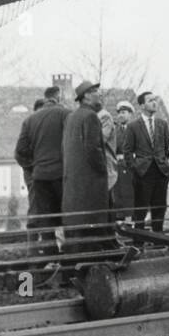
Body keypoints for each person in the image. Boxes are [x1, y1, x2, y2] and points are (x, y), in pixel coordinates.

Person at [15, 91, 68, 255]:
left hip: (40, 176)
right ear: (58, 99)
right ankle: (70, 254)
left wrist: (35, 166)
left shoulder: (30, 120)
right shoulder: (66, 114)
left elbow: (20, 152)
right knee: (68, 215)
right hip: (62, 175)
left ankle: (49, 256)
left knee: (45, 218)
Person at [61, 80, 109, 253]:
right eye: (96, 91)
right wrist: (103, 170)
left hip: (74, 186)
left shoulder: (71, 117)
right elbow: (93, 149)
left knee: (77, 234)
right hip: (90, 185)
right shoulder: (90, 117)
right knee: (92, 233)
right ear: (87, 96)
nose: (100, 94)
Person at [122, 90, 169, 234]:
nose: (154, 102)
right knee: (140, 209)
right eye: (150, 100)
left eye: (155, 99)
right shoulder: (133, 126)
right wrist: (134, 168)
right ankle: (138, 241)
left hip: (161, 172)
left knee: (160, 207)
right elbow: (127, 151)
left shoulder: (162, 124)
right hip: (142, 173)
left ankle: (158, 239)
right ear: (142, 105)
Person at [111, 101, 136, 224]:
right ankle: (120, 219)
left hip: (132, 165)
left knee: (129, 193)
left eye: (124, 112)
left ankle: (130, 219)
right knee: (118, 193)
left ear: (130, 114)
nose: (120, 115)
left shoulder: (136, 128)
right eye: (119, 113)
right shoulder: (116, 130)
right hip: (118, 165)